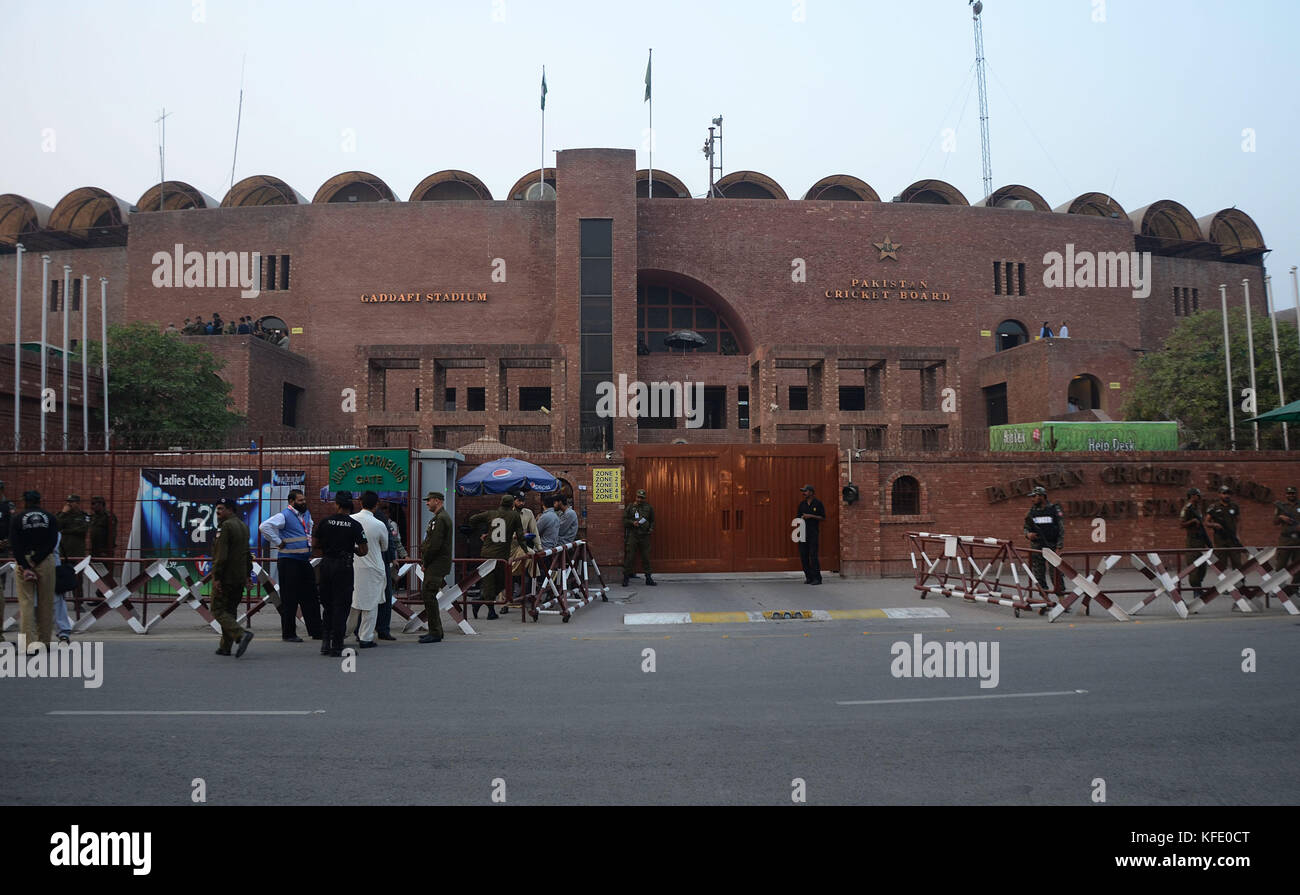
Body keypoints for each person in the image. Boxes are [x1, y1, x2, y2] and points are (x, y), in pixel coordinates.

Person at [259, 488, 322, 642]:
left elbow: (309, 528)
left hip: (303, 560)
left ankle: (316, 631)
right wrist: (278, 542)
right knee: (290, 598)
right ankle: (288, 633)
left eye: (304, 500)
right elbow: (264, 527)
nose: (304, 502)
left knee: (311, 597)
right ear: (291, 502)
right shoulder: (284, 516)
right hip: (288, 561)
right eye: (300, 500)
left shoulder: (306, 514)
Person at [313, 493, 368, 656]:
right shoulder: (355, 525)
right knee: (341, 607)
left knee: (328, 605)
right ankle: (337, 645)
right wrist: (352, 549)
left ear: (337, 505)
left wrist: (329, 547)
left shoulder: (324, 522)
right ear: (350, 507)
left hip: (327, 565)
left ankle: (325, 643)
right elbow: (364, 551)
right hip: (343, 567)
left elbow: (314, 544)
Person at [10, 490, 58, 651]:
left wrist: (25, 566)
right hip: (45, 561)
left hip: (24, 560)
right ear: (39, 501)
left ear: (25, 501)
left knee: (26, 603)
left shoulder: (17, 519)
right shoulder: (50, 517)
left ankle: (28, 643)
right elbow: (52, 542)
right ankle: (44, 641)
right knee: (46, 602)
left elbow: (15, 545)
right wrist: (38, 559)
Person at [210, 499, 255, 657]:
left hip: (226, 577)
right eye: (217, 510)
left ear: (230, 510)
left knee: (217, 609)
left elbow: (220, 556)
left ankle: (241, 635)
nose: (218, 513)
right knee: (230, 611)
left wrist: (216, 577)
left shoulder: (226, 526)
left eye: (221, 509)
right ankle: (225, 646)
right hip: (239, 577)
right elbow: (247, 554)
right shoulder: (243, 526)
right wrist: (248, 575)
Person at [468, 494, 521, 620]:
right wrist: (525, 550)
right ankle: (490, 611)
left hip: (487, 553)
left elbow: (472, 519)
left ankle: (480, 601)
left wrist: (481, 532)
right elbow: (520, 535)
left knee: (492, 582)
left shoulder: (490, 514)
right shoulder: (514, 515)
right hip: (500, 554)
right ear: (512, 504)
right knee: (500, 582)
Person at [347, 492, 389, 649]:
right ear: (376, 505)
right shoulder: (379, 524)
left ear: (360, 502)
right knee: (371, 604)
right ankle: (366, 637)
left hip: (353, 565)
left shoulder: (351, 520)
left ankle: (343, 632)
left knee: (354, 602)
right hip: (373, 567)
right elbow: (384, 547)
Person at [419, 492, 454, 643]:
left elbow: (434, 545)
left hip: (436, 563)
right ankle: (435, 630)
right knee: (429, 595)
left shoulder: (440, 519)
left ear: (437, 501)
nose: (427, 503)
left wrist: (425, 562)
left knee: (428, 595)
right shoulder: (440, 518)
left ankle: (435, 632)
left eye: (429, 500)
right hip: (437, 563)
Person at [54, 494, 90, 636]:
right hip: (63, 552)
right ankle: (61, 602)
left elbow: (82, 530)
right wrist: (63, 513)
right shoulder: (62, 515)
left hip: (77, 551)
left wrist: (65, 531)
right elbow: (56, 526)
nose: (69, 504)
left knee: (77, 579)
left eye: (72, 502)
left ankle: (78, 602)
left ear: (77, 503)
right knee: (61, 580)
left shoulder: (83, 516)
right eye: (68, 501)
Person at [1023, 485, 1065, 597]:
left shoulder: (1054, 510)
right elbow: (1026, 527)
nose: (1032, 499)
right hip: (1037, 546)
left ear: (1042, 496)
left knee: (1055, 573)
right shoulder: (1031, 512)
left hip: (1051, 545)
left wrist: (1059, 547)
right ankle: (1044, 599)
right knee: (1038, 574)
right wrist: (1028, 535)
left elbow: (1061, 529)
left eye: (1034, 496)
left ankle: (1062, 599)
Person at [372, 501, 404, 641]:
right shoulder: (382, 520)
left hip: (364, 562)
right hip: (382, 561)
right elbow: (390, 540)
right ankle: (383, 629)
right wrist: (392, 557)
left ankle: (359, 630)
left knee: (364, 598)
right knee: (385, 596)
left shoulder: (357, 518)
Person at [1205, 485, 1245, 572]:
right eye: (1224, 493)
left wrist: (1238, 534)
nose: (1227, 496)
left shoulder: (1234, 506)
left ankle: (1239, 584)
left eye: (1228, 494)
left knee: (1237, 562)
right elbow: (1207, 522)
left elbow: (1239, 521)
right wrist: (1215, 525)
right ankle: (1223, 584)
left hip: (1232, 538)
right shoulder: (1214, 507)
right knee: (1221, 563)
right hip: (1220, 539)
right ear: (1219, 494)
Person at [1179, 487, 1212, 595]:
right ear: (1192, 496)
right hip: (1192, 542)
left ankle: (1198, 585)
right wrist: (1192, 521)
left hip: (1201, 541)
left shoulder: (1197, 508)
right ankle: (1196, 589)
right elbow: (1181, 524)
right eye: (1198, 495)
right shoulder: (1187, 509)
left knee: (1203, 566)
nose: (1199, 497)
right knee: (1194, 567)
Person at [622, 489, 656, 587]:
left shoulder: (648, 508)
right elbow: (624, 520)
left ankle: (648, 578)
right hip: (633, 535)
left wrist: (650, 529)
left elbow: (652, 520)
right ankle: (626, 578)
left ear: (644, 498)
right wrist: (633, 523)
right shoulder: (630, 507)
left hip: (644, 536)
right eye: (638, 497)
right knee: (630, 556)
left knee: (646, 557)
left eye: (642, 498)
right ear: (636, 497)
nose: (640, 499)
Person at [796, 484, 826, 585]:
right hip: (803, 533)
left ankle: (817, 578)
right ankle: (808, 577)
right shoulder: (802, 504)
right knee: (803, 556)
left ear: (811, 492)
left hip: (813, 533)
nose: (804, 493)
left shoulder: (818, 503)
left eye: (806, 491)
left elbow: (823, 517)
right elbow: (798, 518)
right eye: (803, 491)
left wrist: (811, 516)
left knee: (813, 556)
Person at [1273, 486, 1300, 580]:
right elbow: (1275, 522)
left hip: (1298, 539)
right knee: (1281, 564)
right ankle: (1277, 587)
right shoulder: (1281, 507)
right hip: (1285, 540)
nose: (1291, 495)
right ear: (1286, 495)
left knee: (1298, 565)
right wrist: (1281, 517)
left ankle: (1295, 588)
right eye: (1289, 493)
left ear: (1296, 494)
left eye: (1293, 493)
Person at [0, 481, 13, 606]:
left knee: (2, 573)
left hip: (2, 546)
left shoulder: (5, 507)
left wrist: (7, 541)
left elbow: (10, 526)